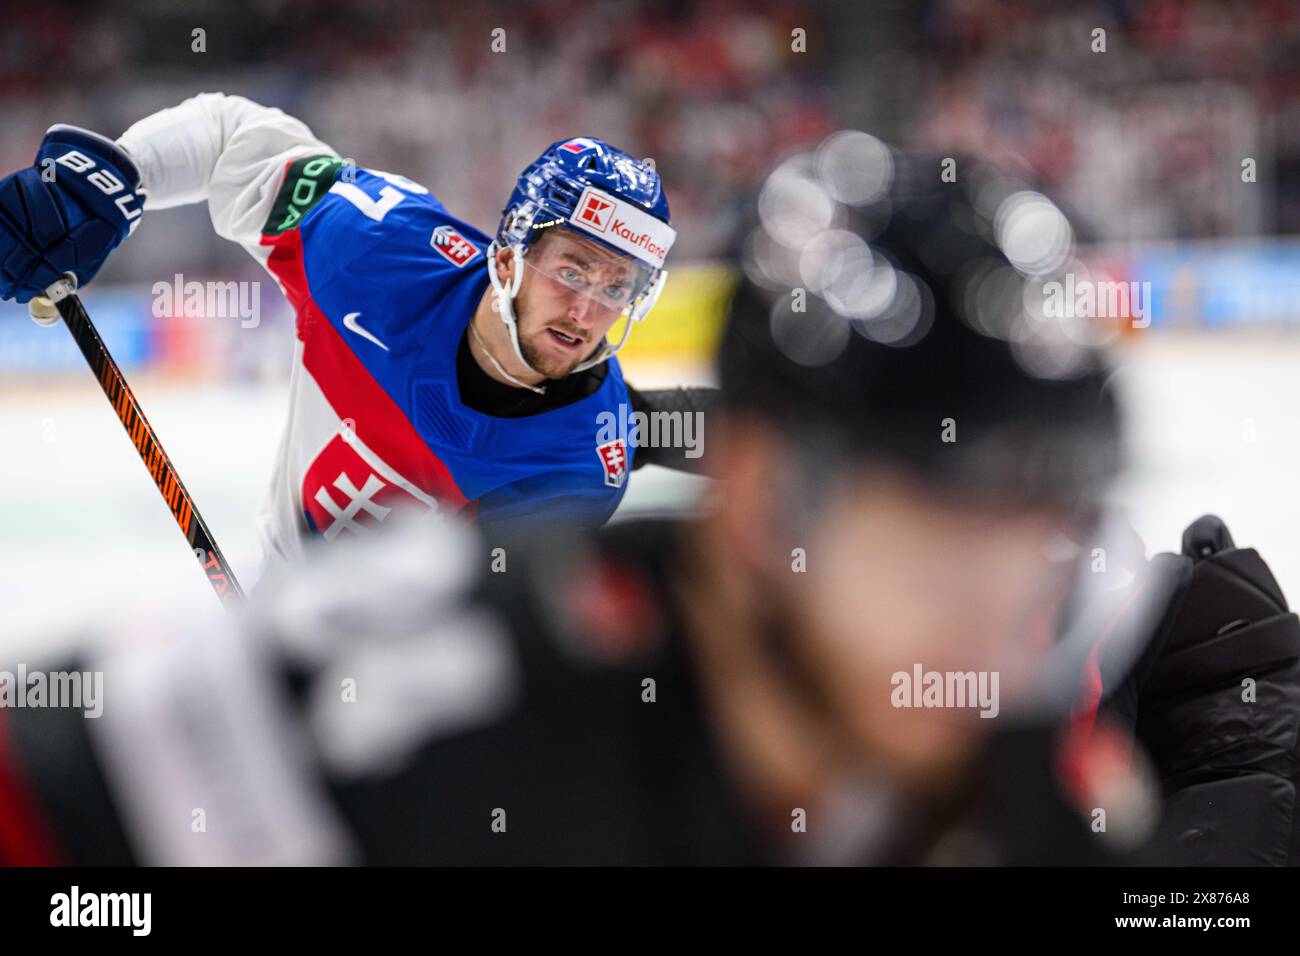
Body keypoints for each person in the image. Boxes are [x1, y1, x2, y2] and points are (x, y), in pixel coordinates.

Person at [1, 137, 1296, 865]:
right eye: (942, 521)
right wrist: (108, 170)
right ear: (762, 512)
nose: (1006, 620)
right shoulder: (450, 685)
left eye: (1051, 528)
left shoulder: (1049, 676)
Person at [0, 94, 714, 567]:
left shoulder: (574, 470)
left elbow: (464, 639)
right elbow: (228, 140)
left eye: (617, 286)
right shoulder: (377, 248)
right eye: (573, 271)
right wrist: (105, 184)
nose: (589, 311)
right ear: (507, 257)